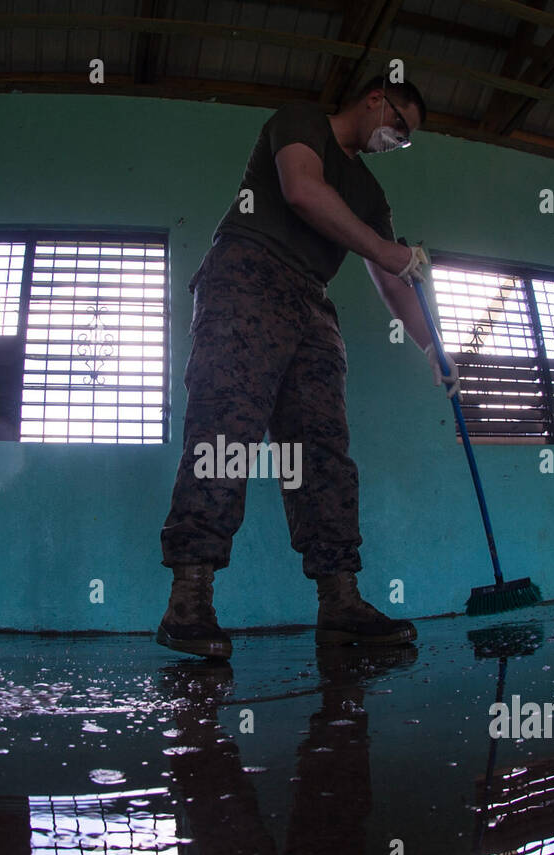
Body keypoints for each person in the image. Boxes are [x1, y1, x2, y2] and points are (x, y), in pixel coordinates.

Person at [157, 75, 453, 659]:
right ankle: (188, 602)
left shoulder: (369, 192)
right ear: (375, 99)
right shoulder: (300, 120)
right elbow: (302, 190)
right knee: (226, 432)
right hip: (247, 272)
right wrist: (391, 251)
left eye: (407, 138)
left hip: (312, 301)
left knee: (323, 450)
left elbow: (393, 278)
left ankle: (340, 602)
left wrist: (431, 346)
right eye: (400, 126)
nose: (398, 139)